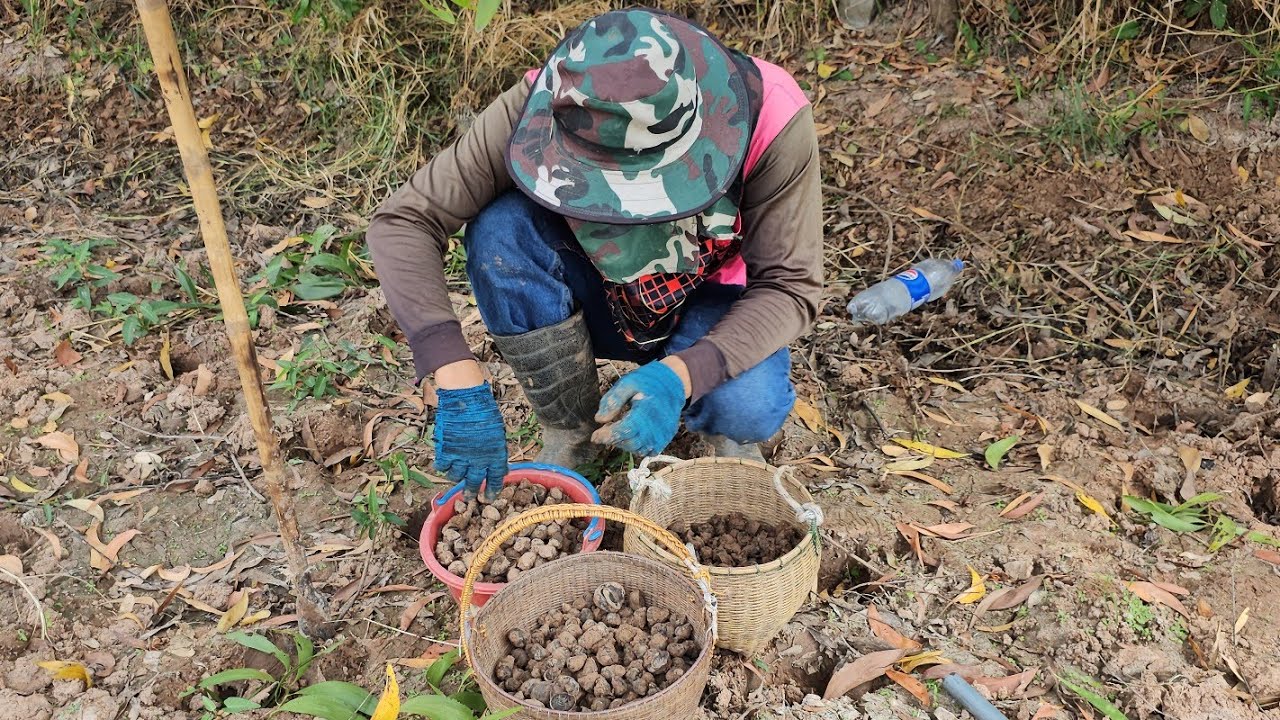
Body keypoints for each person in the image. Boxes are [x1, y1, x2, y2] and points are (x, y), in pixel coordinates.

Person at [367, 7, 822, 500]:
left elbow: (790, 286)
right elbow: (404, 221)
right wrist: (451, 366)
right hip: (599, 292)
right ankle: (571, 429)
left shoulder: (769, 115)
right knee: (500, 231)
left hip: (706, 302)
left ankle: (718, 425)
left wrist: (683, 374)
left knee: (748, 405)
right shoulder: (543, 103)